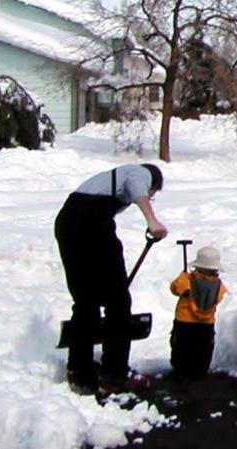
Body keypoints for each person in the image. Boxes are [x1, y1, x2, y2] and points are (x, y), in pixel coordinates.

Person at [55, 163, 168, 395]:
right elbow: (137, 187)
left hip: (70, 225)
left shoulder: (106, 185)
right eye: (152, 193)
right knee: (117, 303)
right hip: (90, 226)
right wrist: (152, 220)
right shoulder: (140, 173)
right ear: (152, 184)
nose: (149, 196)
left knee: (87, 301)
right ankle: (114, 373)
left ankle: (80, 373)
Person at [169, 246, 228, 379]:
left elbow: (174, 288)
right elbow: (218, 298)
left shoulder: (187, 281)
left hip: (184, 322)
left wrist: (182, 278)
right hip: (206, 324)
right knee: (202, 349)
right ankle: (200, 370)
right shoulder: (219, 286)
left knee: (181, 349)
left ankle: (180, 371)